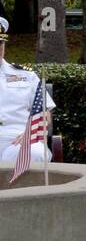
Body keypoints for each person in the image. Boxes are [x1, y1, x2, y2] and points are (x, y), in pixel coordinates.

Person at [0, 16, 56, 165]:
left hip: (18, 139)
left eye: (0, 44)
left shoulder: (26, 75)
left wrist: (31, 132)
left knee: (35, 153)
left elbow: (44, 112)